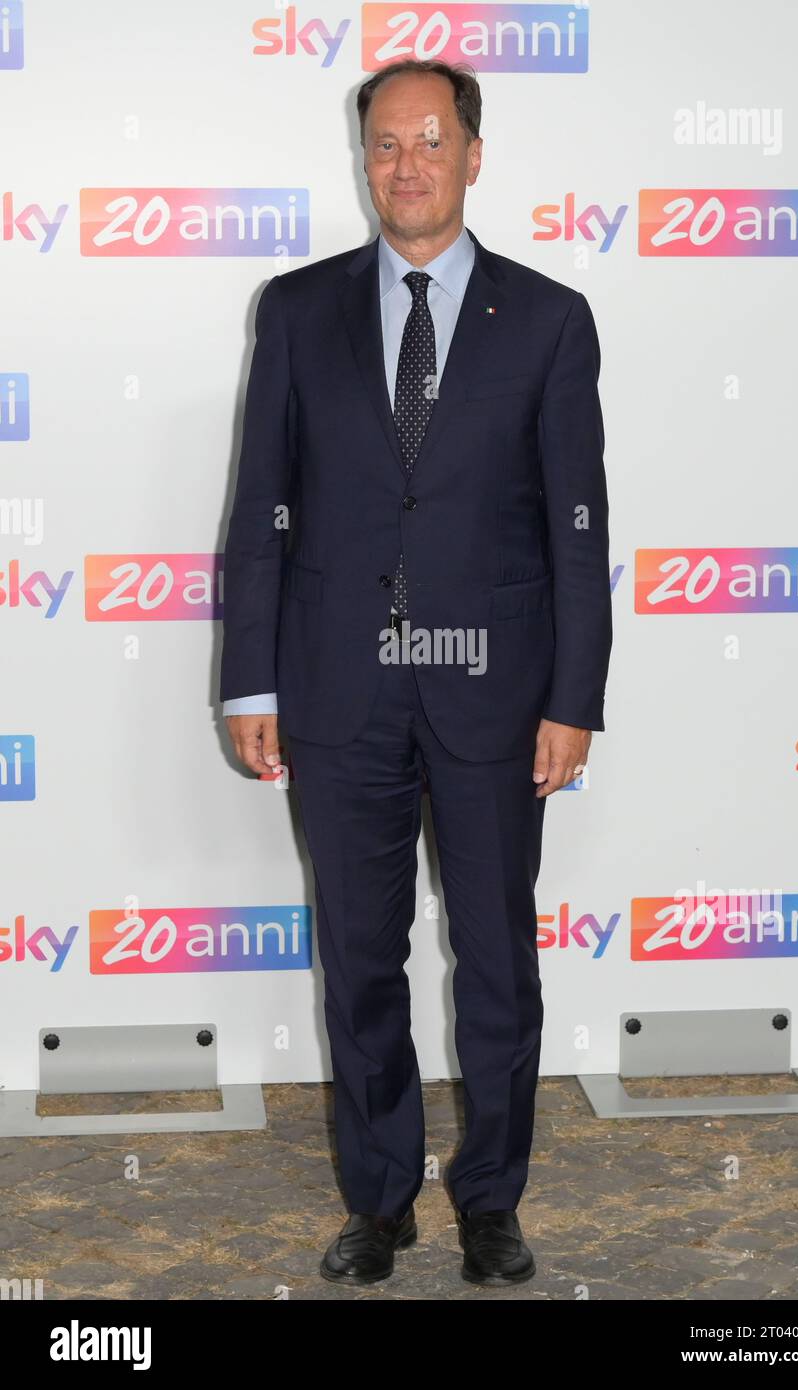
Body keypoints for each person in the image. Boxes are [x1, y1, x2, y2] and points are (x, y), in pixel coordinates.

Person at [221, 58, 612, 1287]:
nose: (406, 165)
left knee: (496, 954)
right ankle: (378, 1199)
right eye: (384, 144)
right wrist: (249, 682)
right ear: (363, 161)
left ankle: (488, 1199)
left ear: (473, 154)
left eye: (429, 141)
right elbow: (258, 508)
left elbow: (578, 529)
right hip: (338, 692)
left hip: (495, 693)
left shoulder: (547, 318)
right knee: (361, 956)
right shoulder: (295, 309)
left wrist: (572, 697)